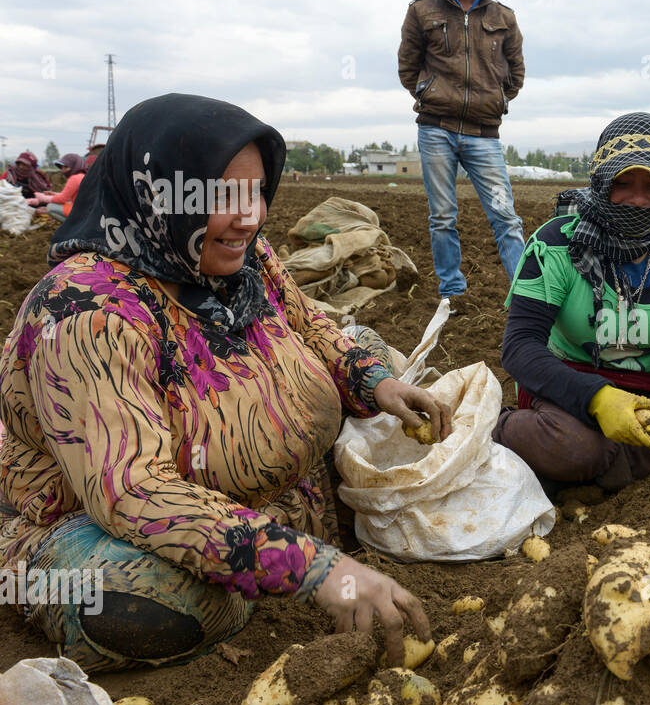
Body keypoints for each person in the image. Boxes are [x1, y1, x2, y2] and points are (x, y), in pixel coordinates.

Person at [0, 93, 450, 672]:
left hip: (263, 497)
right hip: (109, 523)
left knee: (369, 347)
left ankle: (265, 548)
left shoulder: (241, 255)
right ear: (157, 195)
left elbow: (309, 323)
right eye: (221, 196)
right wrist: (313, 567)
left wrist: (376, 385)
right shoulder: (88, 314)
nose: (251, 216)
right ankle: (35, 563)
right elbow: (134, 491)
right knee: (147, 600)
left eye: (258, 191)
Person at [494, 112, 650, 490]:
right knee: (574, 444)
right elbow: (520, 348)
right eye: (623, 182)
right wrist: (598, 400)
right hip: (570, 388)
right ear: (600, 181)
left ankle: (593, 464)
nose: (637, 199)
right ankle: (505, 431)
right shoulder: (556, 244)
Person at [398, 0, 526, 314]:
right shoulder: (422, 11)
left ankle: (525, 292)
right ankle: (452, 291)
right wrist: (426, 92)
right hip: (436, 131)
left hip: (484, 136)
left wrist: (498, 99)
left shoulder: (503, 16)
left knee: (505, 215)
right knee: (443, 217)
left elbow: (516, 72)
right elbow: (407, 66)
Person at [28, 153, 87, 222]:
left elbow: (63, 199)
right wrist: (54, 194)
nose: (63, 170)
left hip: (81, 211)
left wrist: (43, 198)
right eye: (62, 167)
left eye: (66, 167)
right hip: (87, 209)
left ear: (75, 166)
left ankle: (74, 225)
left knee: (50, 207)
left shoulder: (74, 178)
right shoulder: (83, 176)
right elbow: (71, 196)